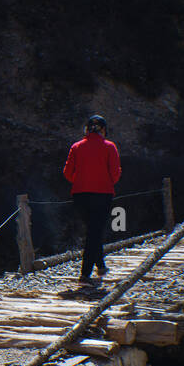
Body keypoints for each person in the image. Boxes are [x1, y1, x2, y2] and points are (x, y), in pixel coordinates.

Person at [63, 114, 122, 285]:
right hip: (103, 194)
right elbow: (116, 173)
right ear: (103, 130)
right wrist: (105, 181)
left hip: (80, 194)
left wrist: (81, 180)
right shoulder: (110, 147)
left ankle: (101, 266)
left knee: (92, 230)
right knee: (94, 232)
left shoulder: (76, 147)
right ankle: (85, 274)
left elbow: (67, 172)